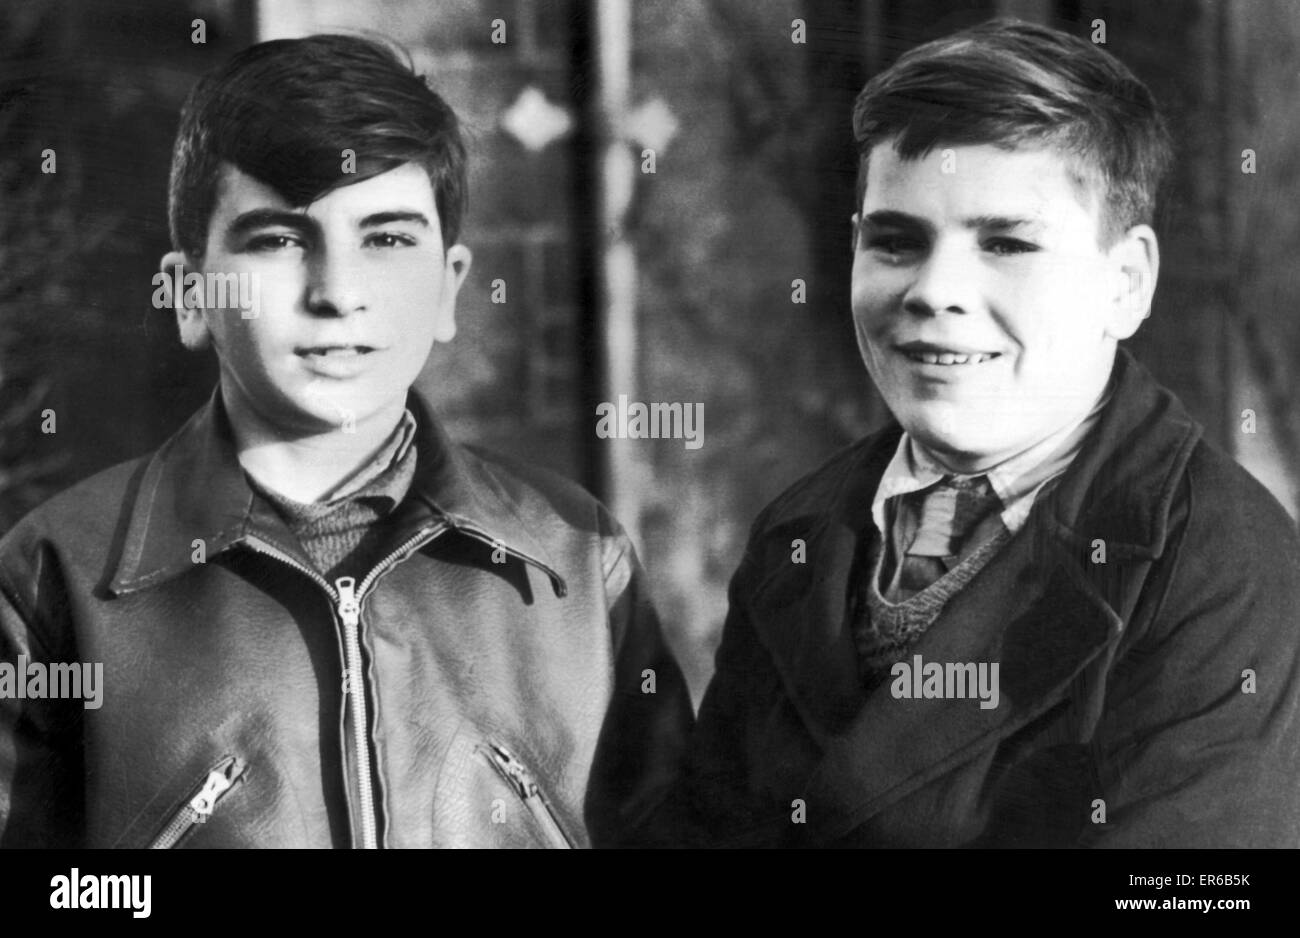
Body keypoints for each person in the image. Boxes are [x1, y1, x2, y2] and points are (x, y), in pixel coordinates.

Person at [0, 34, 691, 848]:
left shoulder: (577, 562)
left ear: (447, 288)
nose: (339, 293)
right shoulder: (56, 578)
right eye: (280, 240)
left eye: (388, 239)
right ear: (191, 295)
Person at [665, 18, 1300, 847]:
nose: (935, 291)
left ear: (1126, 282)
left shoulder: (1218, 562)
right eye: (895, 241)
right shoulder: (799, 532)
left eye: (1005, 243)